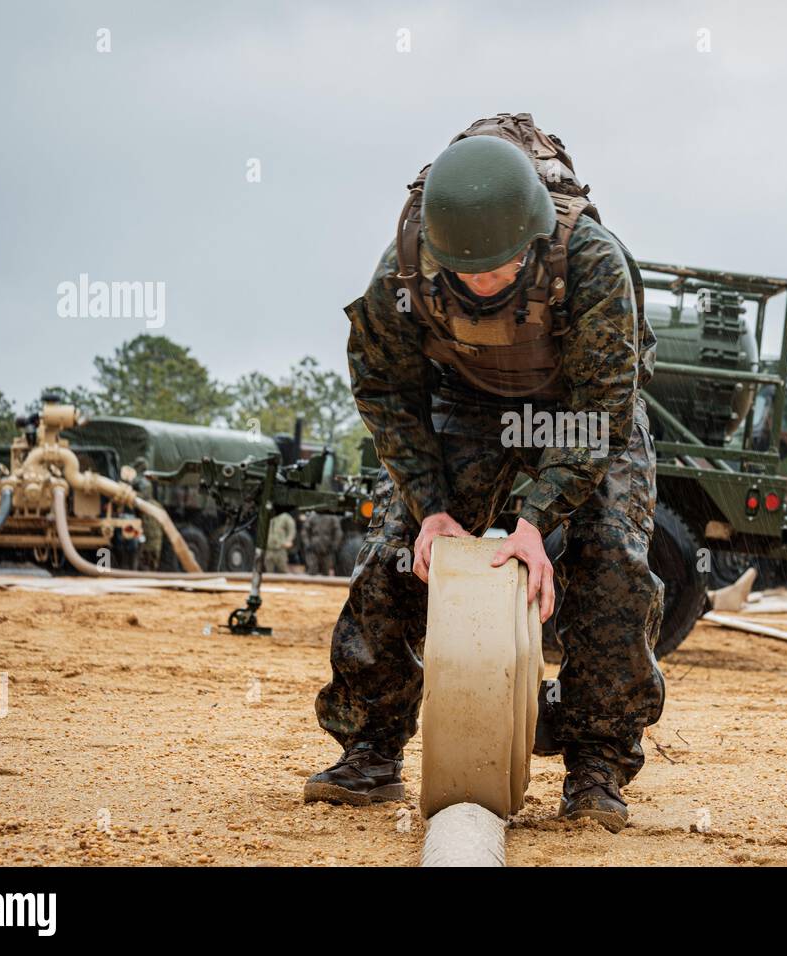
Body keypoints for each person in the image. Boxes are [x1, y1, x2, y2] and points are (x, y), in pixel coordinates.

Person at [305, 120, 663, 832]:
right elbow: (385, 393)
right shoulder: (402, 272)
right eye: (463, 271)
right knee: (396, 555)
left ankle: (595, 759)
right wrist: (432, 508)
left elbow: (601, 413)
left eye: (496, 269)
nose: (478, 283)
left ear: (532, 238)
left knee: (616, 561)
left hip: (581, 407)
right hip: (466, 401)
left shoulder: (592, 262)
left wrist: (534, 523)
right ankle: (371, 747)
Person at [131, 457, 163, 572]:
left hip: (149, 538)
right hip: (153, 539)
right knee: (151, 561)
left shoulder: (139, 481)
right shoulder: (156, 506)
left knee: (145, 561)